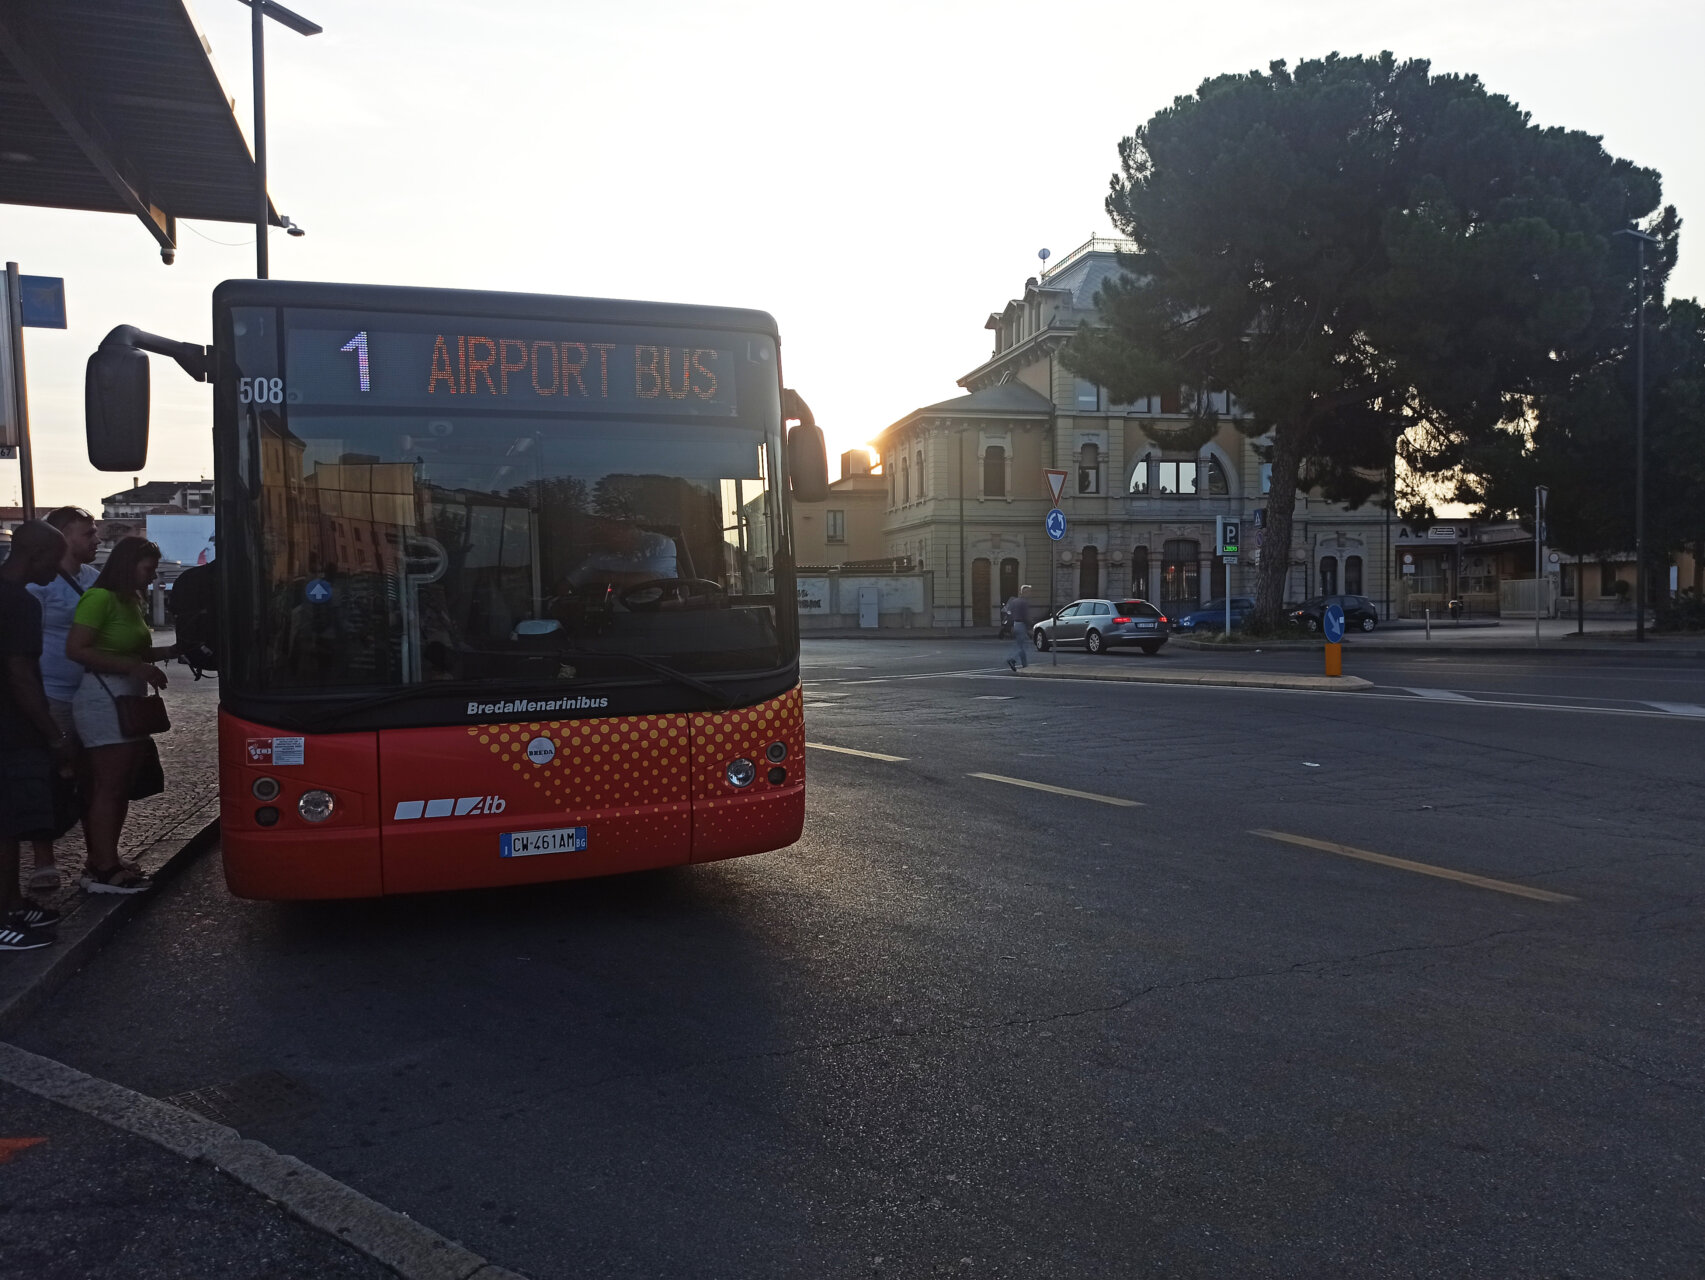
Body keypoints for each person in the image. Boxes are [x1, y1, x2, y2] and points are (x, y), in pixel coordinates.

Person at [65, 536, 180, 894]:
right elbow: (76, 649)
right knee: (109, 787)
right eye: (148, 570)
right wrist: (136, 668)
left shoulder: (130, 600)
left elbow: (139, 650)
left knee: (118, 787)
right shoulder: (99, 598)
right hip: (103, 701)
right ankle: (102, 869)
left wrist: (176, 650)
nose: (152, 577)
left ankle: (105, 857)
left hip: (125, 701)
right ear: (128, 565)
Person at [23, 507, 101, 893]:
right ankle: (43, 860)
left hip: (89, 694)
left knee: (91, 776)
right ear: (63, 536)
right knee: (51, 775)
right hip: (51, 693)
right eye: (88, 533)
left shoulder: (95, 580)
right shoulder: (36, 586)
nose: (96, 540)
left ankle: (98, 854)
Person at [0, 521, 70, 949]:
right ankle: (3, 920)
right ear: (37, 555)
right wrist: (53, 733)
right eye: (55, 559)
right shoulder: (21, 603)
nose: (59, 570)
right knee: (7, 825)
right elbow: (21, 675)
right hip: (12, 729)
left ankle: (12, 902)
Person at [1004, 584, 1034, 672]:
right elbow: (1025, 617)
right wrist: (1030, 628)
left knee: (1021, 645)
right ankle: (1012, 659)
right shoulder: (1024, 602)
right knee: (1023, 646)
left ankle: (1025, 665)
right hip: (1022, 625)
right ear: (1024, 592)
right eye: (1028, 592)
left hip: (1015, 624)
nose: (1030, 594)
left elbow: (1010, 614)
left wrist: (1011, 626)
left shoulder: (1014, 601)